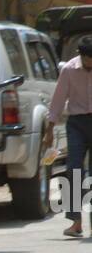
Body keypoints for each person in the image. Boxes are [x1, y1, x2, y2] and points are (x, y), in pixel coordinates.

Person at [44, 35, 92, 238]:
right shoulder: (69, 70)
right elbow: (57, 100)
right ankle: (76, 221)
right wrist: (49, 130)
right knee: (73, 170)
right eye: (89, 59)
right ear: (81, 56)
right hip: (77, 125)